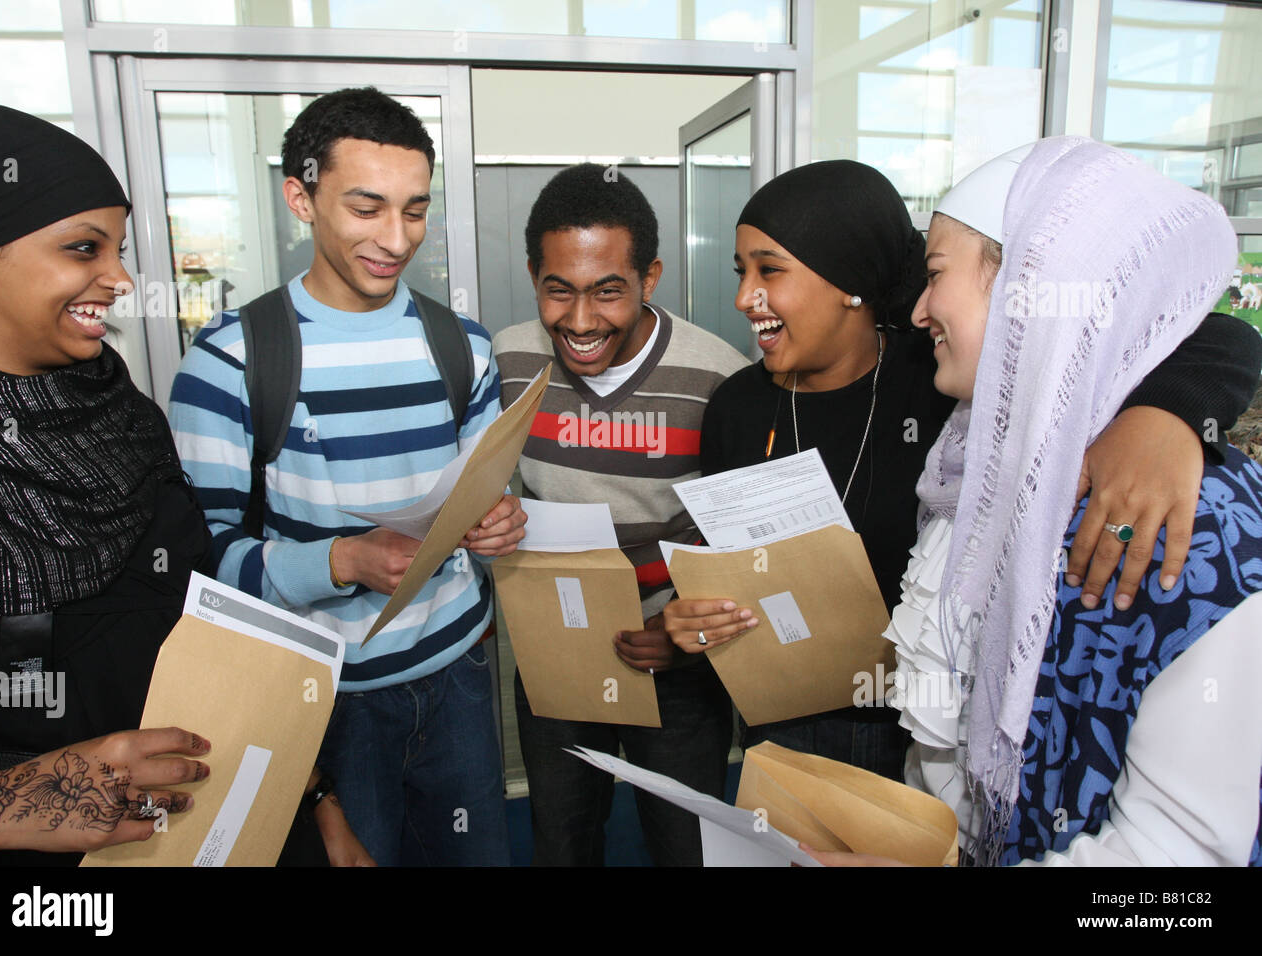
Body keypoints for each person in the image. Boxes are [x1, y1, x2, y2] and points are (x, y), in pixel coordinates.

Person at [662, 158, 1262, 783]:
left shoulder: (946, 375)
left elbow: (1207, 334)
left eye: (770, 270)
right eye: (742, 272)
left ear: (848, 280)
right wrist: (696, 617)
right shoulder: (736, 406)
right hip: (776, 715)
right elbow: (727, 561)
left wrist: (1165, 416)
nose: (743, 297)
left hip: (912, 731)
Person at [811, 136, 1262, 866]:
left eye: (935, 275)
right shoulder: (976, 466)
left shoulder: (1182, 520)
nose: (920, 310)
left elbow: (1181, 868)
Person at [168, 87, 524, 866]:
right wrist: (341, 561)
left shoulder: (463, 345)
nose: (396, 239)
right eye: (367, 208)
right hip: (320, 695)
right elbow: (201, 562)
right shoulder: (230, 360)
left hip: (459, 673)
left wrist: (499, 520)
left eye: (415, 210)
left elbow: (485, 496)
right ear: (301, 197)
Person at [0, 103, 209, 862]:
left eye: (119, 249)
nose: (123, 279)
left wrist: (314, 789)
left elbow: (197, 630)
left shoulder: (126, 415)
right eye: (82, 249)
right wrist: (7, 802)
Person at [494, 164, 748, 866]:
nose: (580, 321)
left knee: (683, 847)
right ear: (533, 276)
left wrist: (683, 630)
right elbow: (487, 489)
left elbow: (739, 540)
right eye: (558, 290)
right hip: (558, 653)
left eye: (608, 291)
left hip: (674, 661)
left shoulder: (718, 379)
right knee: (561, 842)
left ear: (650, 278)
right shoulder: (510, 360)